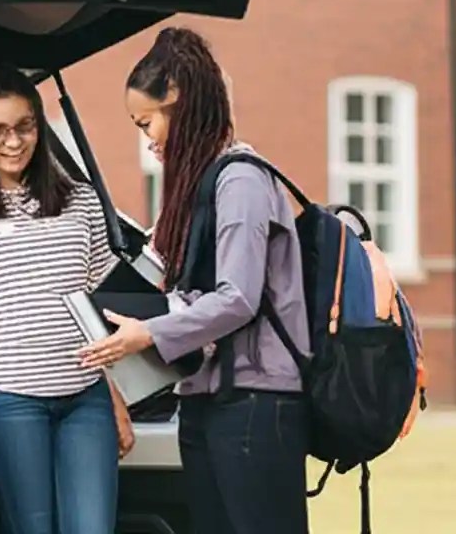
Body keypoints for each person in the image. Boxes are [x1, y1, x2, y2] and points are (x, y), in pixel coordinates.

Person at [79, 27, 312, 534]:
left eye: (147, 122)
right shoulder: (200, 186)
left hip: (254, 403)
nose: (148, 140)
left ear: (178, 101)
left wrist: (150, 333)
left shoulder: (242, 180)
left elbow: (239, 298)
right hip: (207, 400)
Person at [0, 63, 131, 534]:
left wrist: (119, 395)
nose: (13, 142)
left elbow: (101, 309)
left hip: (85, 397)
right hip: (5, 398)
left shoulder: (82, 201)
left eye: (24, 126)